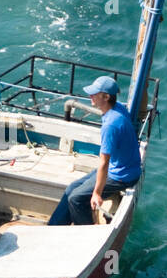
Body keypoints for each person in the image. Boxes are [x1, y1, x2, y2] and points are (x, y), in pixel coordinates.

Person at [47, 76, 141, 225]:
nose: (90, 96)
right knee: (71, 188)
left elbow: (104, 163)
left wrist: (96, 193)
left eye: (94, 93)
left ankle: (86, 234)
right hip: (118, 167)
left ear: (106, 96)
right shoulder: (118, 109)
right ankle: (53, 228)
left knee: (76, 198)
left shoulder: (111, 124)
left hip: (122, 175)